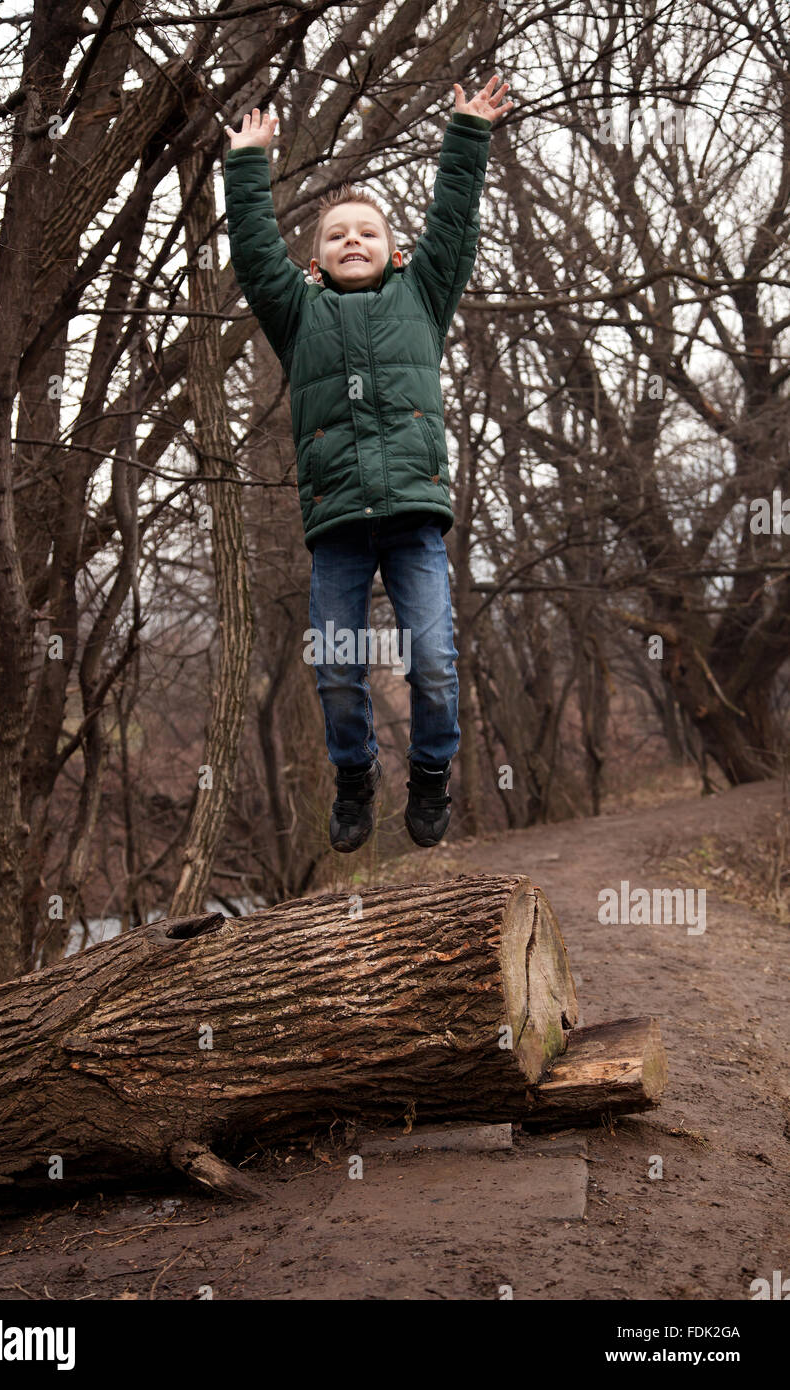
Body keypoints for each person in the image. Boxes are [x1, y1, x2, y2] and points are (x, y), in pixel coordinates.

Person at [224, 75, 513, 852]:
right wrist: (248, 165)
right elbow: (254, 255)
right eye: (336, 235)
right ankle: (354, 776)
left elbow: (454, 221)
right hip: (340, 530)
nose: (353, 240)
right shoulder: (299, 315)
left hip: (415, 523)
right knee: (339, 676)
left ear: (395, 253)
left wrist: (467, 133)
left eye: (368, 233)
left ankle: (429, 776)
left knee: (433, 663)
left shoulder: (423, 298)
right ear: (314, 263)